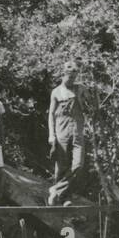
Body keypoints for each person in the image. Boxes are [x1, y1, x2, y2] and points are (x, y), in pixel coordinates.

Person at [47, 59, 86, 205]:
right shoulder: (56, 92)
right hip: (61, 130)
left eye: (74, 76)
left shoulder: (80, 89)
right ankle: (64, 197)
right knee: (61, 168)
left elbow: (93, 106)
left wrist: (91, 94)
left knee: (78, 165)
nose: (72, 79)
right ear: (64, 74)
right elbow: (50, 114)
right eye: (69, 76)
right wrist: (51, 135)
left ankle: (56, 190)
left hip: (77, 131)